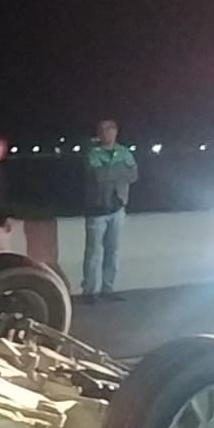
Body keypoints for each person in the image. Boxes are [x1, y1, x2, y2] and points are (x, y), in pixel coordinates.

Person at [81, 118, 138, 303]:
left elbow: (134, 175)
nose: (106, 133)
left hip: (117, 208)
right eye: (103, 130)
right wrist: (120, 171)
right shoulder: (92, 153)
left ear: (115, 131)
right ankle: (89, 291)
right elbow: (98, 176)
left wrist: (110, 172)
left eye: (109, 129)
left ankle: (108, 288)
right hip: (96, 210)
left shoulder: (124, 151)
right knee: (93, 253)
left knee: (112, 251)